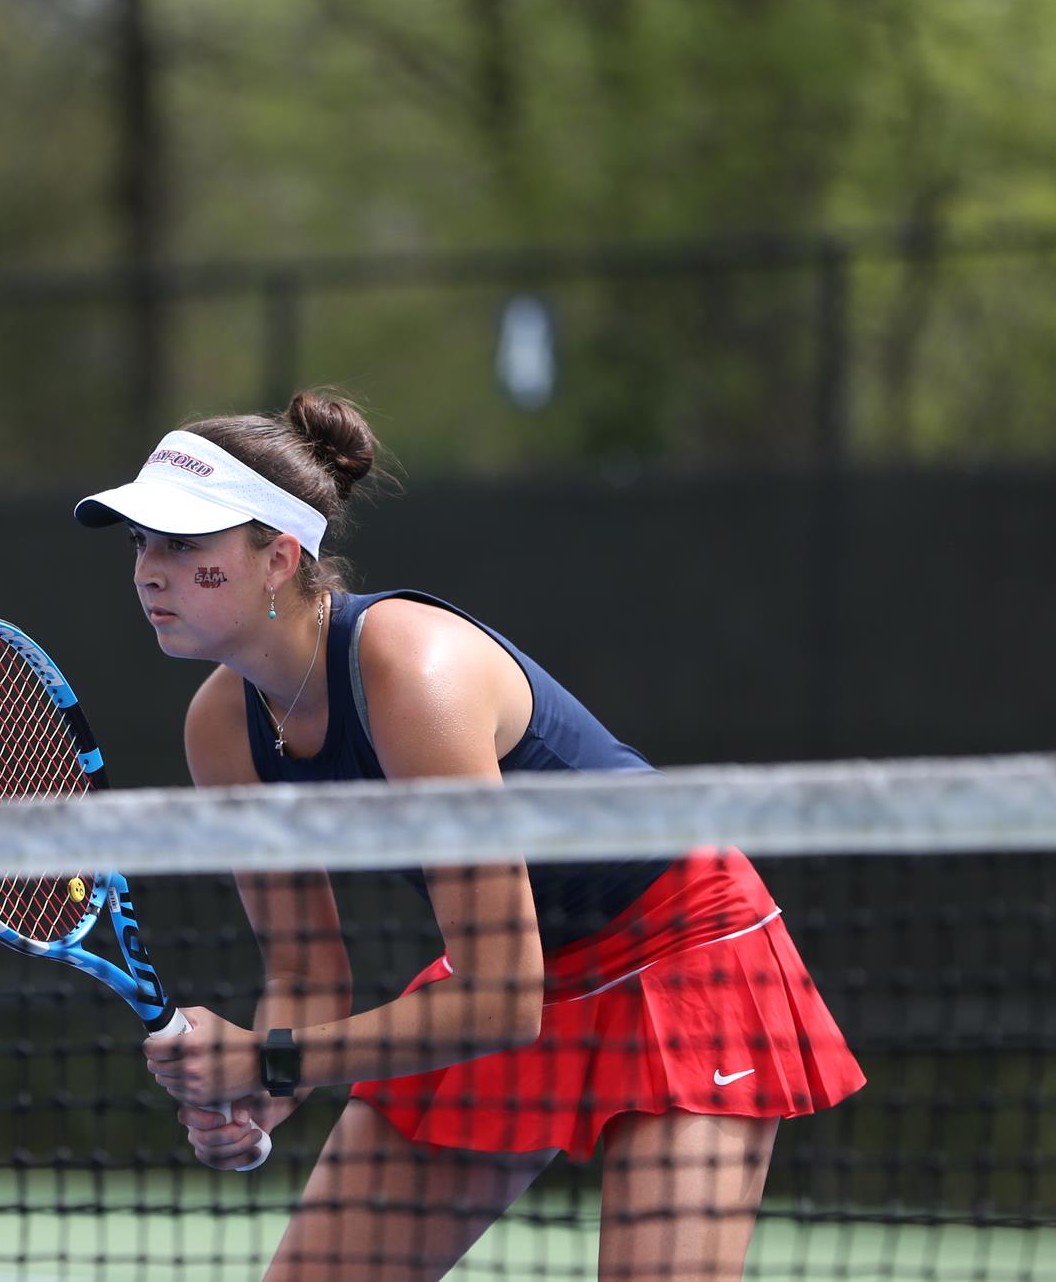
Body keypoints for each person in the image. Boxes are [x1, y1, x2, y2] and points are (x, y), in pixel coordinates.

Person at [76, 390, 866, 1281]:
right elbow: (304, 969)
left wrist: (270, 1055)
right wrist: (263, 1093)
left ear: (278, 558)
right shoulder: (221, 727)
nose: (148, 569)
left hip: (680, 950)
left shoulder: (413, 672)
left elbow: (500, 997)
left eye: (184, 544)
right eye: (143, 542)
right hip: (513, 966)